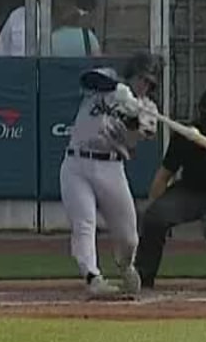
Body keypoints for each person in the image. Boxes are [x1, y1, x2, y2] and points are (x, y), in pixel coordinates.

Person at [59, 54, 159, 298]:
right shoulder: (108, 80)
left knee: (129, 238)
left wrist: (136, 119)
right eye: (141, 79)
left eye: (149, 83)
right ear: (132, 74)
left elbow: (137, 138)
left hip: (111, 168)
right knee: (84, 223)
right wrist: (120, 91)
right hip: (76, 163)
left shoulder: (148, 109)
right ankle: (92, 277)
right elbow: (88, 78)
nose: (143, 85)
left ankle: (125, 265)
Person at [132, 84, 206, 291]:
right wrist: (152, 207)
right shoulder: (186, 136)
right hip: (191, 190)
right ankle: (143, 275)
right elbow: (164, 174)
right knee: (155, 217)